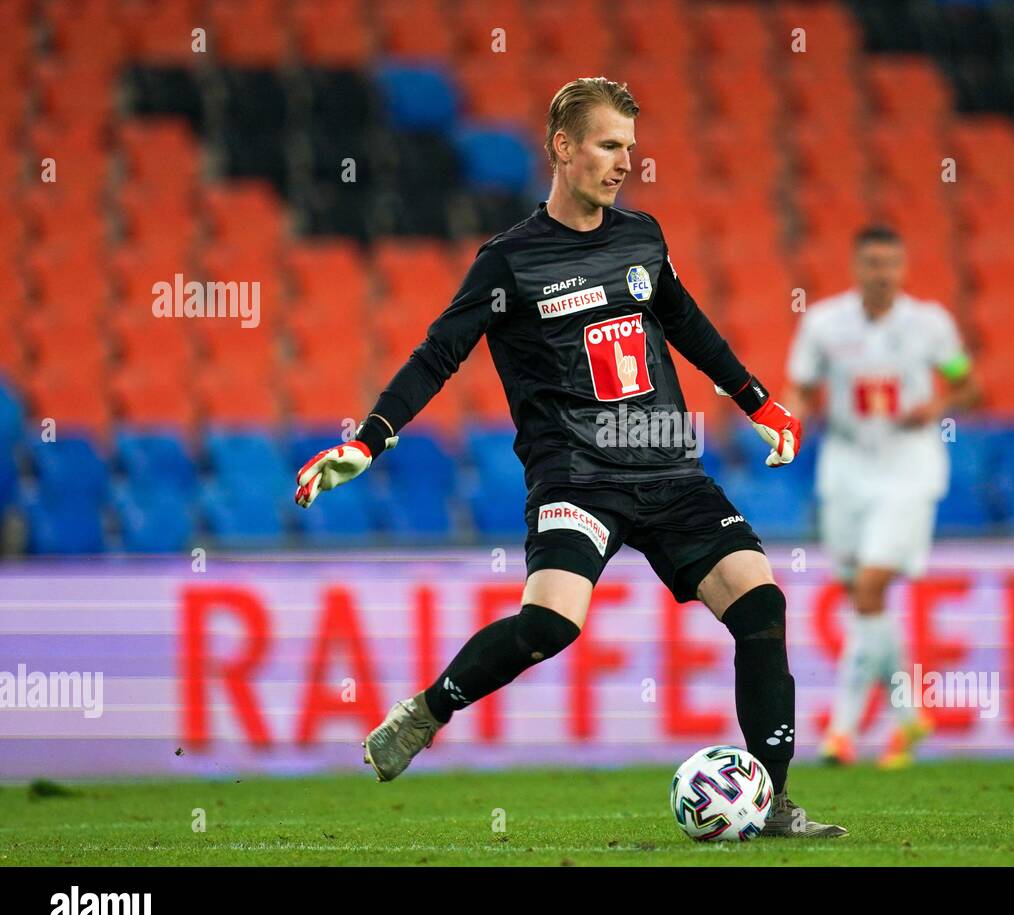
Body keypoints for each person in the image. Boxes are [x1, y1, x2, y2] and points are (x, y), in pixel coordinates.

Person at [294, 77, 845, 837]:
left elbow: (688, 325)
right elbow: (436, 356)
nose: (623, 163)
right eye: (609, 145)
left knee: (761, 604)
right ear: (562, 147)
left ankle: (775, 804)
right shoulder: (509, 263)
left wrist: (758, 403)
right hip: (577, 477)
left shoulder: (642, 239)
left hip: (665, 461)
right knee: (551, 625)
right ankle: (426, 711)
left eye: (630, 148)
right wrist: (368, 438)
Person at [785, 225, 979, 769]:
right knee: (862, 598)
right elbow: (799, 382)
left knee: (870, 585)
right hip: (846, 466)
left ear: (904, 267)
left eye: (891, 263)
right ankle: (909, 715)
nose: (882, 273)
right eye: (872, 263)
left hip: (908, 466)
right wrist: (791, 413)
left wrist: (939, 403)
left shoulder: (930, 324)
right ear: (856, 266)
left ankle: (841, 731)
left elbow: (968, 382)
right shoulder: (823, 323)